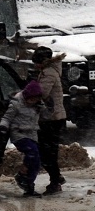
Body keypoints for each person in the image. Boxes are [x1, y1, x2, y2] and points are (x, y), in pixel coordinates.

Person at [32, 46, 68, 194]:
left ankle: (55, 180)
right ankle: (56, 178)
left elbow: (42, 93)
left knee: (47, 152)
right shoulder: (49, 71)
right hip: (53, 117)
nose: (34, 65)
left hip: (51, 118)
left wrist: (26, 93)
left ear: (42, 61)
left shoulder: (48, 73)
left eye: (36, 62)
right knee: (48, 151)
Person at [0, 80, 46, 196]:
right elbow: (7, 117)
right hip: (19, 134)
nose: (32, 102)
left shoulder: (38, 105)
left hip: (32, 133)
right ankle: (22, 174)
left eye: (35, 99)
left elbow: (46, 114)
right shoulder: (16, 103)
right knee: (32, 151)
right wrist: (3, 127)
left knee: (36, 161)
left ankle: (28, 185)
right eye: (31, 99)